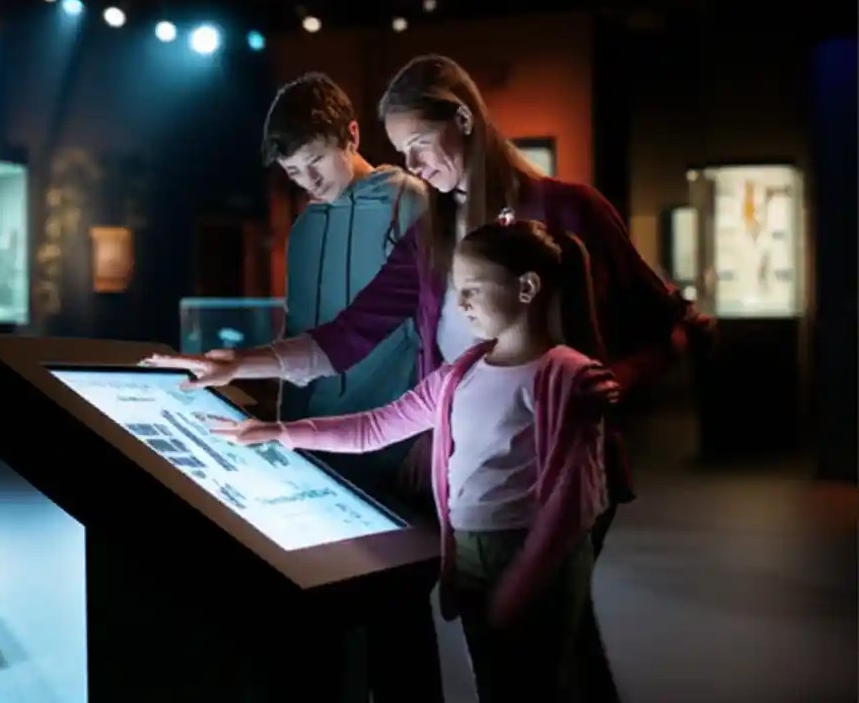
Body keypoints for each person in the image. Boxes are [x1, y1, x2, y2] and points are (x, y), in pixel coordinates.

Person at [147, 54, 710, 701]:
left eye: (418, 143)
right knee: (519, 656)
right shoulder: (432, 230)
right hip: (470, 476)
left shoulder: (570, 209)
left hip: (562, 472)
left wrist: (605, 384)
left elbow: (669, 325)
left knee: (555, 647)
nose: (413, 165)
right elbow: (349, 336)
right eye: (402, 150)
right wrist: (239, 364)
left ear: (463, 117)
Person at [213, 218, 619, 702]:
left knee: (539, 684)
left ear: (527, 287)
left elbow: (572, 498)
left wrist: (523, 580)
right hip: (469, 550)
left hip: (535, 554)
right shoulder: (458, 375)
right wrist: (280, 433)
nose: (461, 303)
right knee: (493, 682)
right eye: (456, 289)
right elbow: (376, 427)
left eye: (474, 288)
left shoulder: (566, 376)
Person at [259, 72, 442, 702]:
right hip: (324, 455)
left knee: (400, 628)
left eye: (315, 163)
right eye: (293, 174)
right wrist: (284, 444)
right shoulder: (305, 230)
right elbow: (300, 334)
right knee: (329, 626)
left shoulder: (411, 200)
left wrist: (431, 436)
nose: (309, 184)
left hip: (398, 450)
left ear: (352, 136)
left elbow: (436, 333)